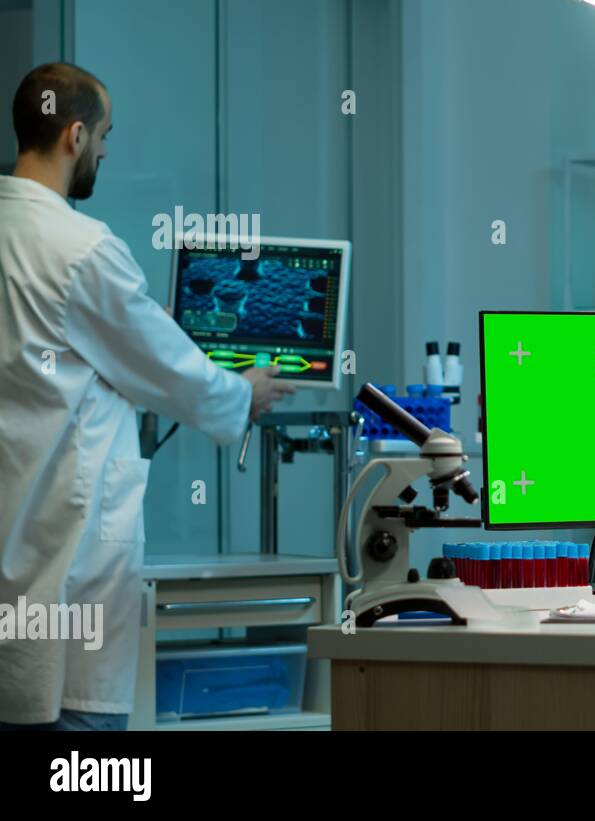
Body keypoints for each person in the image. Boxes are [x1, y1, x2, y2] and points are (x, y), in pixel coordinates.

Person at [0, 63, 293, 730]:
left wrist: (136, 325)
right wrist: (241, 394)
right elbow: (175, 376)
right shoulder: (83, 249)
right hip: (68, 577)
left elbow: (56, 355)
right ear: (75, 135)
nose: (104, 150)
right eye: (104, 135)